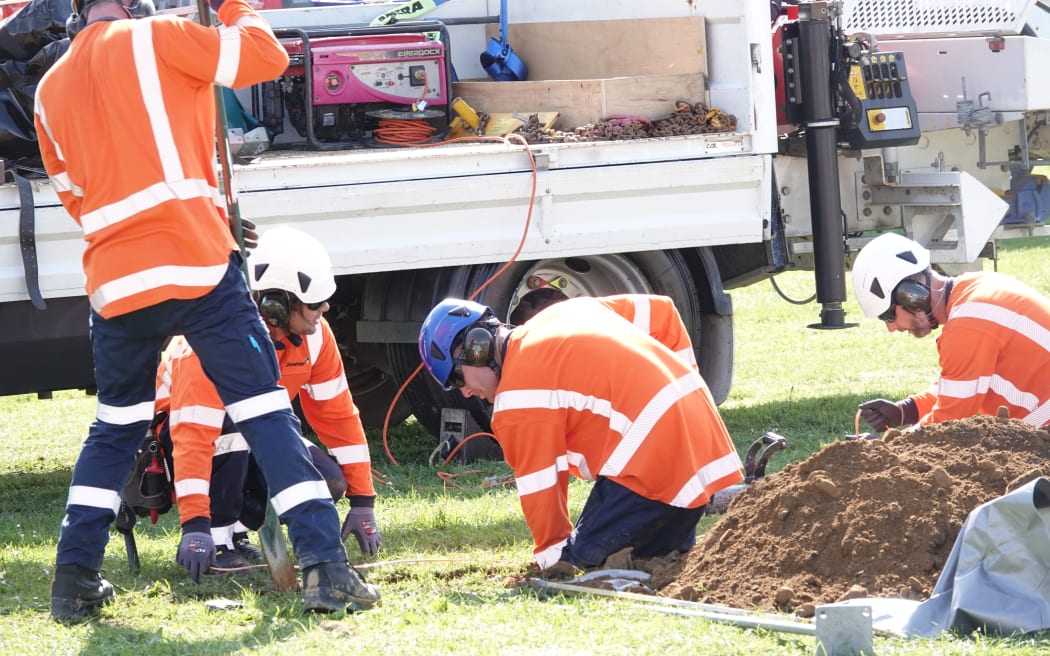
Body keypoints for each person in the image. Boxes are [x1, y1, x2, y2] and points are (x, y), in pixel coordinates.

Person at [34, 0, 377, 622]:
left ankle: (72, 581)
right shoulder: (161, 36)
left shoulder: (49, 85)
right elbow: (267, 58)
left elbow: (73, 197)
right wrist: (234, 7)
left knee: (115, 428)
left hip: (114, 281)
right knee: (265, 412)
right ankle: (325, 568)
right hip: (195, 262)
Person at [418, 294, 744, 569]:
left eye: (458, 379)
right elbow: (663, 312)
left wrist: (555, 559)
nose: (464, 393)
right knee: (654, 550)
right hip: (697, 426)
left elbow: (542, 487)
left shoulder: (516, 398)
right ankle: (662, 550)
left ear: (478, 347)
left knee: (583, 557)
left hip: (651, 466)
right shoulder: (563, 312)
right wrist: (685, 392)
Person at [155, 227, 382, 578]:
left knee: (326, 481)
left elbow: (339, 417)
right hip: (174, 448)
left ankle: (238, 531)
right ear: (275, 305)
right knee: (238, 421)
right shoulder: (209, 345)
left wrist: (362, 500)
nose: (325, 308)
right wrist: (195, 525)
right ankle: (217, 539)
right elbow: (192, 439)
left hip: (242, 436)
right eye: (313, 303)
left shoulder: (316, 337)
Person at [853, 232, 1050, 431]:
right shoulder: (975, 291)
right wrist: (905, 410)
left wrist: (888, 447)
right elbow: (960, 386)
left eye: (888, 315)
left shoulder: (969, 323)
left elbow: (949, 422)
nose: (891, 327)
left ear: (910, 296)